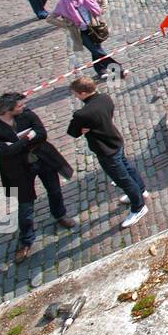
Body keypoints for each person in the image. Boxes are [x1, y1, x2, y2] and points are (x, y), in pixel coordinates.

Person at [0, 93, 77, 263]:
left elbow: (41, 134)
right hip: (18, 168)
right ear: (7, 111)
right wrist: (28, 138)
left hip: (43, 159)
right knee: (25, 206)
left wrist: (18, 143)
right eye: (19, 106)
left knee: (54, 190)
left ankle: (60, 215)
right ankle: (26, 240)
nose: (23, 107)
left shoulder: (27, 114)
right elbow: (5, 152)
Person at [67, 77, 149, 228]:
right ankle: (141, 190)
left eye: (76, 94)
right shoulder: (105, 98)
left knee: (123, 179)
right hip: (115, 140)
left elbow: (73, 132)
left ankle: (138, 207)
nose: (75, 96)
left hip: (105, 149)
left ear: (83, 93)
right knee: (127, 167)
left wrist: (83, 129)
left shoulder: (82, 114)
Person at [52, 0, 124, 80]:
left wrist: (101, 11)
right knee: (96, 50)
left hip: (94, 28)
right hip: (80, 32)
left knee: (96, 51)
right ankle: (117, 69)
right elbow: (51, 18)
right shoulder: (63, 3)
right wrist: (67, 24)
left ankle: (100, 70)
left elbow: (103, 0)